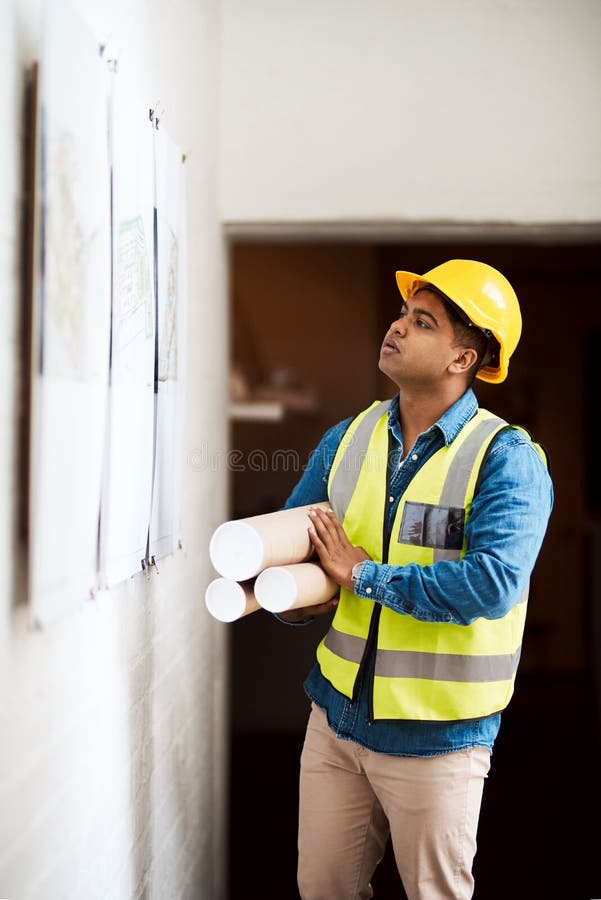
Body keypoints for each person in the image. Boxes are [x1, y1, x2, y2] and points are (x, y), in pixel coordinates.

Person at [277, 259, 554, 900]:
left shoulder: (507, 460)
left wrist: (364, 576)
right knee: (321, 889)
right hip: (337, 720)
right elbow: (302, 552)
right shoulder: (346, 439)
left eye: (421, 322)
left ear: (463, 356)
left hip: (438, 742)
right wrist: (285, 597)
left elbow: (492, 584)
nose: (397, 327)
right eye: (402, 314)